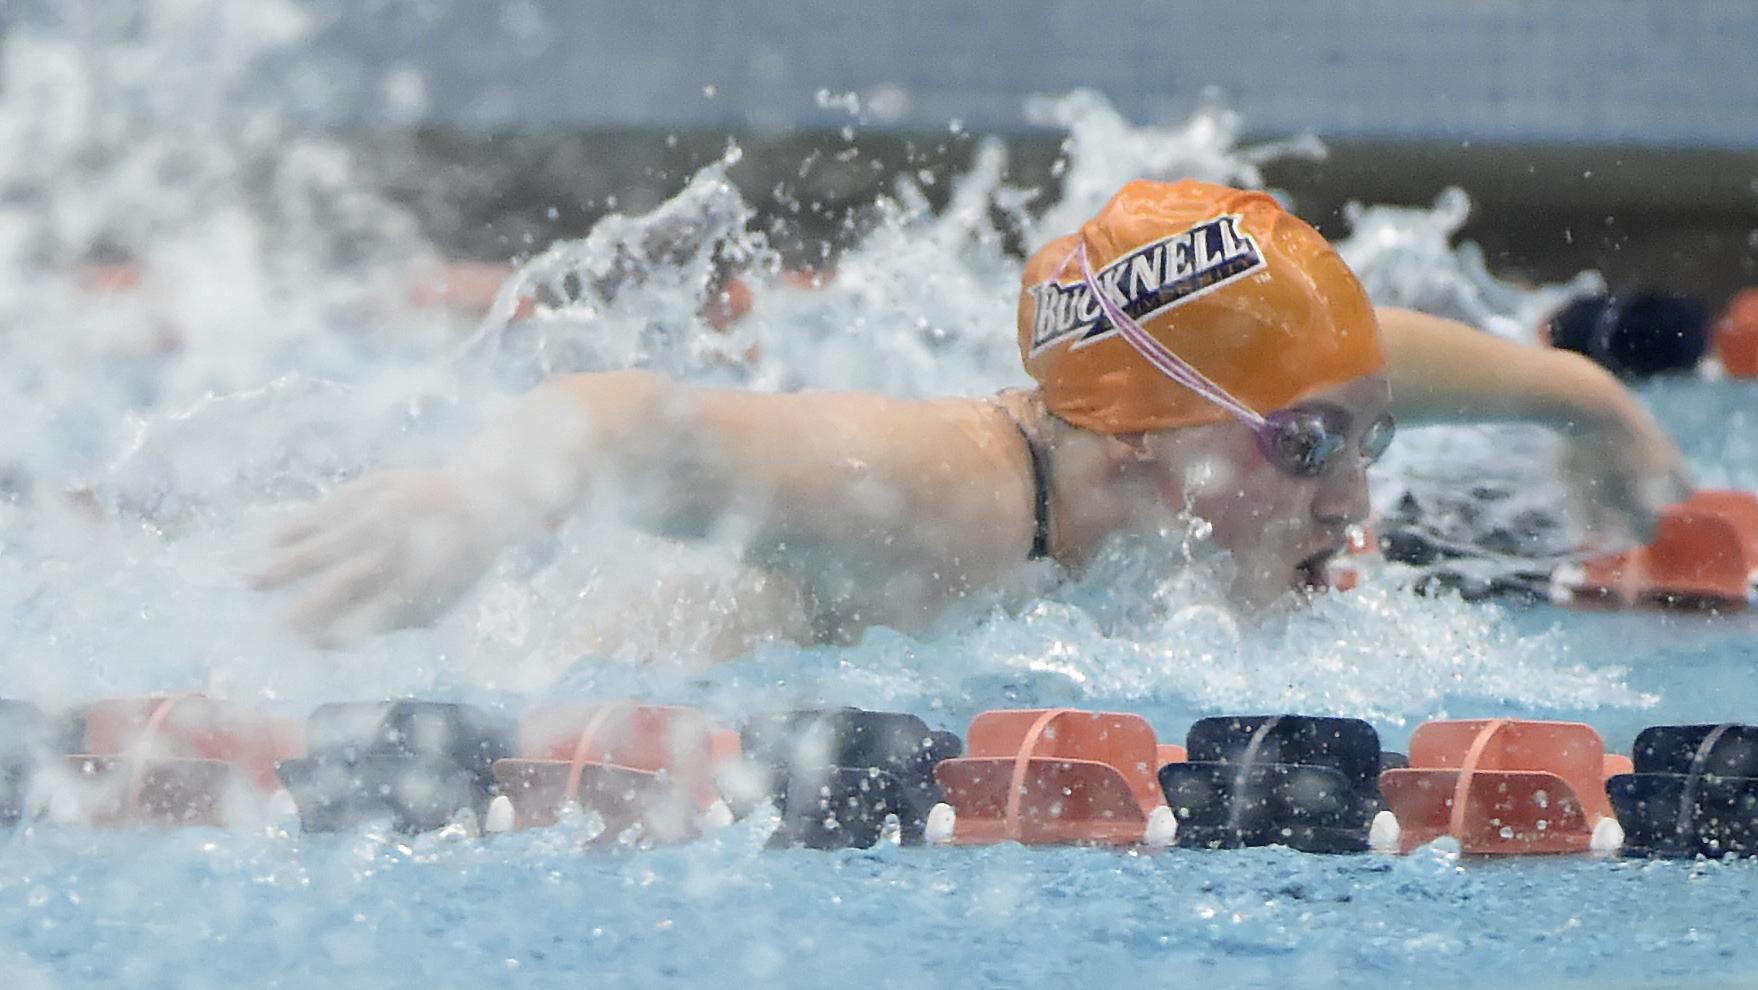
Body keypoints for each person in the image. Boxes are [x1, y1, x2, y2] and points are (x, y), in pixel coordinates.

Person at [253, 179, 1692, 649]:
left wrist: (1586, 403)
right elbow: (622, 423)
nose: (1356, 506)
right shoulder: (942, 497)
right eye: (1307, 450)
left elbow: (1365, 366)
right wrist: (480, 496)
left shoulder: (1185, 428)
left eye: (1365, 443)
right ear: (1136, 438)